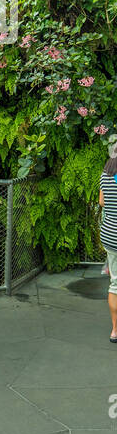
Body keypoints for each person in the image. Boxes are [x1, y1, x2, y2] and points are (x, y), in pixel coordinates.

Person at [100, 144, 117, 344]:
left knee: (115, 284)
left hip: (110, 235)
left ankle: (115, 330)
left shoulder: (105, 175)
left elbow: (102, 202)